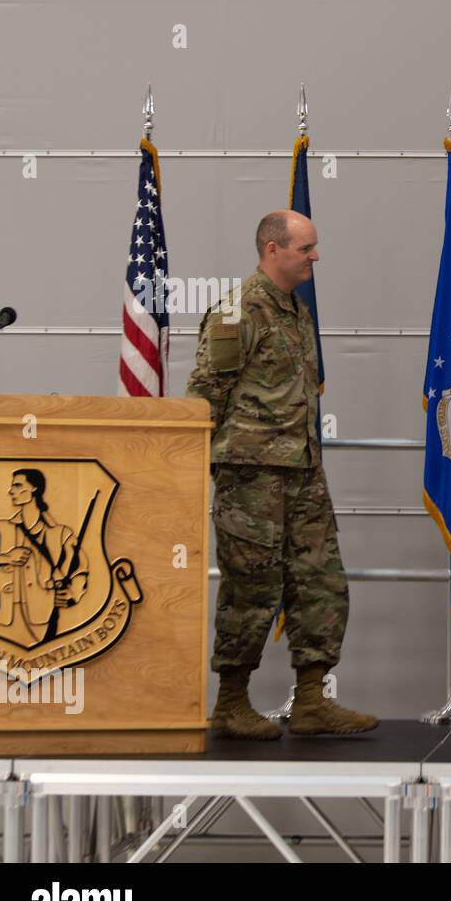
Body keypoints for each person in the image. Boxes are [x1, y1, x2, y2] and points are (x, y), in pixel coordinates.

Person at [187, 209, 378, 740]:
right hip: (252, 477)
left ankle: (312, 700)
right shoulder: (237, 312)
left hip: (302, 471)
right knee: (251, 588)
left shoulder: (295, 310)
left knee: (320, 581)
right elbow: (205, 397)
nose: (315, 256)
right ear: (273, 249)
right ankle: (230, 703)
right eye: (305, 248)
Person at [0, 469, 89, 648]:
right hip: (4, 617)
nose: (10, 491)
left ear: (34, 489)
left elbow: (81, 568)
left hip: (43, 616)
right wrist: (6, 558)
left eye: (17, 485)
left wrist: (73, 594)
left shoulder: (60, 533)